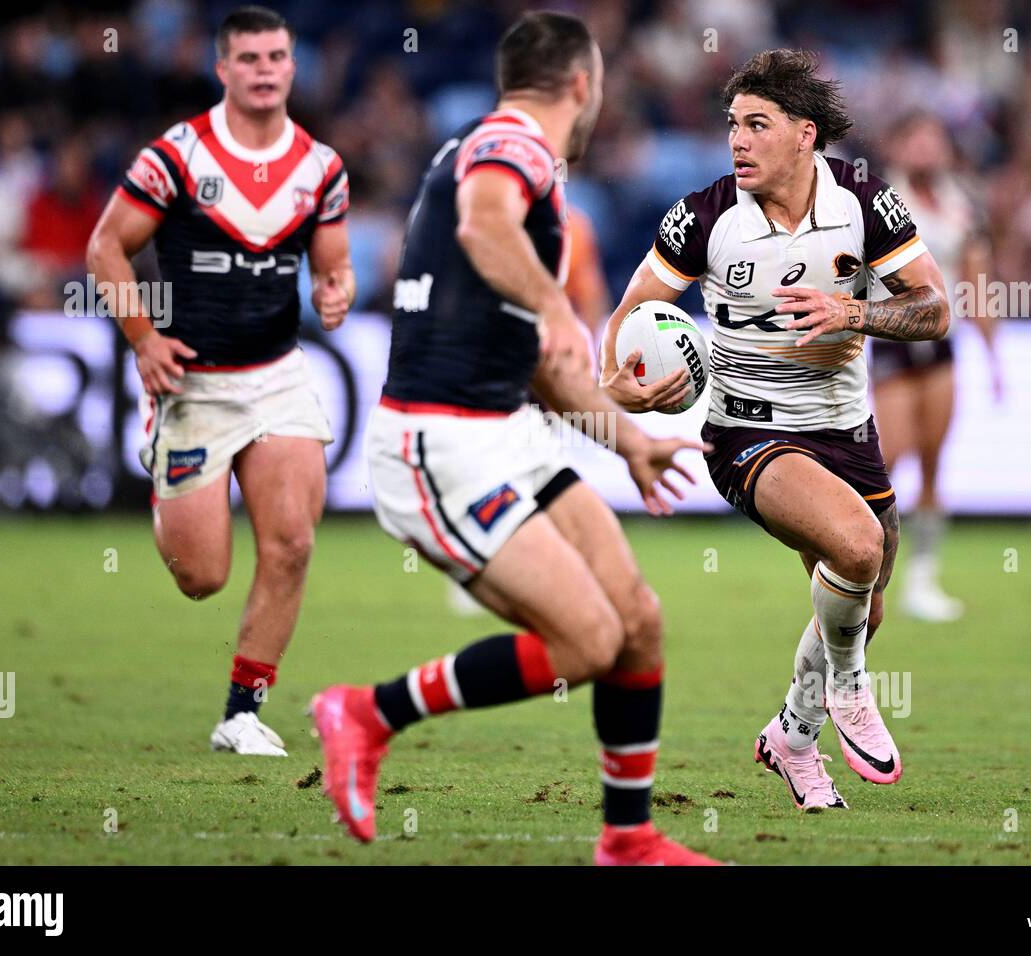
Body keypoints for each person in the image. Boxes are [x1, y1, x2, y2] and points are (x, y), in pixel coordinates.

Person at [309, 11, 718, 866]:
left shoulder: (501, 154)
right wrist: (557, 303)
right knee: (586, 643)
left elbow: (540, 368)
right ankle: (368, 712)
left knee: (637, 621)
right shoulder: (518, 150)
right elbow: (482, 227)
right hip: (439, 443)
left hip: (506, 432)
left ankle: (630, 840)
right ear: (582, 83)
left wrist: (629, 441)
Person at [600, 50, 951, 812]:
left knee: (867, 597)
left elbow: (935, 309)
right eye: (732, 125)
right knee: (858, 548)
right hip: (747, 434)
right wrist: (630, 392)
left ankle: (793, 736)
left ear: (804, 134)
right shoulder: (703, 215)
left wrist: (853, 312)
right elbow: (623, 328)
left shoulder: (863, 201)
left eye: (757, 125)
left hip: (845, 431)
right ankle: (852, 690)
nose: (738, 141)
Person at [86, 6, 354, 756]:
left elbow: (335, 266)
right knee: (201, 576)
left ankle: (242, 711)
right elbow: (105, 248)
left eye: (277, 56)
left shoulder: (320, 166)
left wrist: (338, 291)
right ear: (223, 69)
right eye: (250, 58)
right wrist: (143, 338)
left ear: (293, 67)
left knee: (293, 545)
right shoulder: (175, 156)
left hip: (277, 377)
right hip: (194, 386)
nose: (266, 69)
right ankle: (167, 485)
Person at [871, 112, 999, 622]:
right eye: (917, 139)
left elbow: (977, 281)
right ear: (901, 148)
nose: (926, 149)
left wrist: (993, 353)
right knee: (891, 454)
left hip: (942, 343)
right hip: (894, 341)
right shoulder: (880, 202)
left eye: (934, 139)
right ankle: (866, 570)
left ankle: (923, 578)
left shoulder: (960, 205)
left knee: (931, 461)